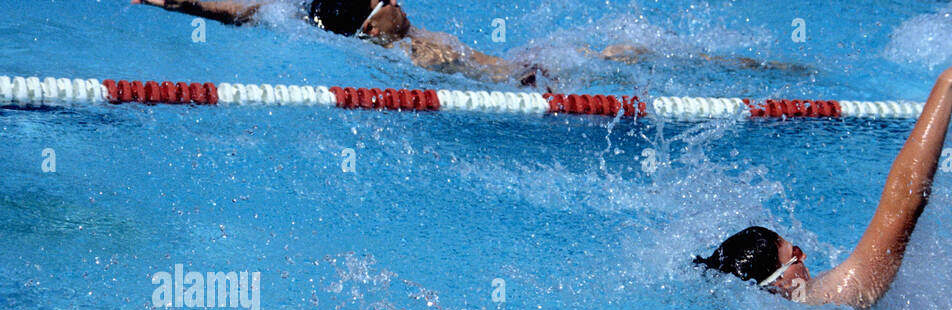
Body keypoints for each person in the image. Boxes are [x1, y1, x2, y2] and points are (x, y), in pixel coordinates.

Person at [695, 45, 952, 310]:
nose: (806, 258)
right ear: (781, 283)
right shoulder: (839, 296)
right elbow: (905, 201)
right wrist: (949, 83)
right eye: (795, 253)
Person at [131, 1, 775, 86]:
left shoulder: (290, 9)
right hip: (403, 35)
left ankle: (632, 60)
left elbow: (237, 11)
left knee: (526, 76)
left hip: (410, 44)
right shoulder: (288, 7)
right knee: (525, 70)